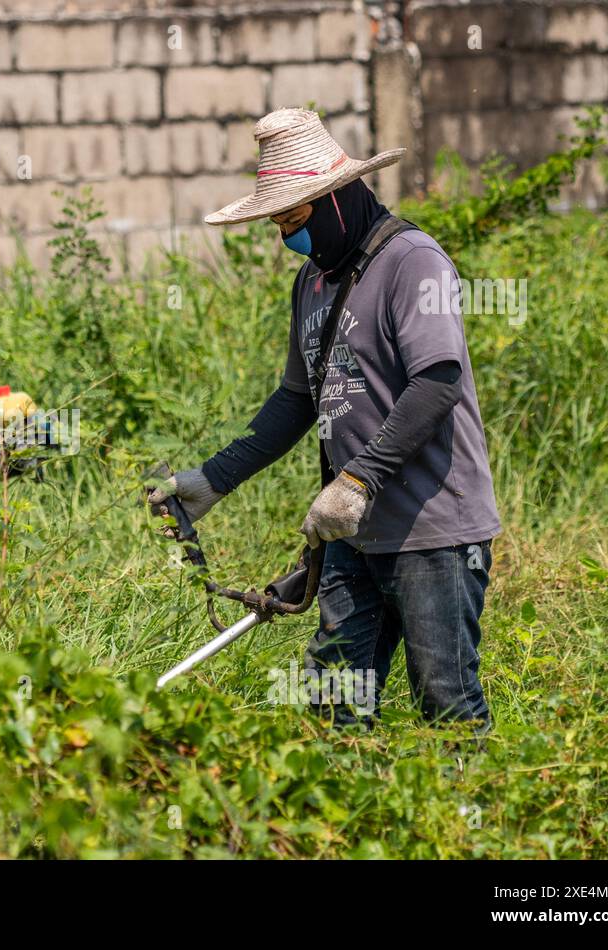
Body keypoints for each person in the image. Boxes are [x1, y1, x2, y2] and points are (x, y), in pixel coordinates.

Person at [149, 108, 501, 731]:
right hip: (350, 536)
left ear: (337, 198)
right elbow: (297, 400)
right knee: (336, 697)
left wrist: (359, 479)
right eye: (279, 223)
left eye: (294, 218)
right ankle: (349, 823)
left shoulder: (414, 263)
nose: (287, 236)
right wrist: (212, 480)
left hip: (432, 532)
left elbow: (437, 384)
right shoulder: (312, 283)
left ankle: (469, 822)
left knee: (445, 699)